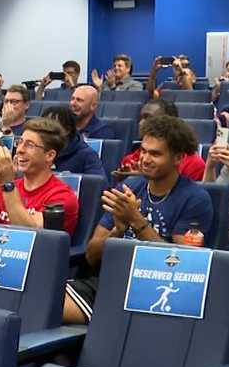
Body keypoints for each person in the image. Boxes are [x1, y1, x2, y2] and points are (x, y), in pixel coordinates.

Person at [64, 116, 213, 324]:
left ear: (178, 158)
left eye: (155, 154)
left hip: (150, 288)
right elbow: (91, 255)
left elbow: (180, 265)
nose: (145, 158)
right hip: (110, 279)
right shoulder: (129, 187)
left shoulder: (195, 198)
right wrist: (117, 230)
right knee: (42, 299)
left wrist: (136, 220)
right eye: (143, 151)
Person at [0, 117, 78, 234]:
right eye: (19, 142)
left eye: (29, 145)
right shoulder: (9, 187)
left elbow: (30, 233)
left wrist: (7, 184)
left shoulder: (62, 196)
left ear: (49, 155)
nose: (19, 150)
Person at [117, 99, 206, 181]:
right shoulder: (130, 160)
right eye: (141, 118)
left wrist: (145, 177)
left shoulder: (193, 164)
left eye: (148, 118)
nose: (141, 123)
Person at [42, 106, 108, 179]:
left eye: (51, 127)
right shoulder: (38, 150)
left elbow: (97, 184)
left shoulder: (87, 155)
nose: (46, 132)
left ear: (67, 129)